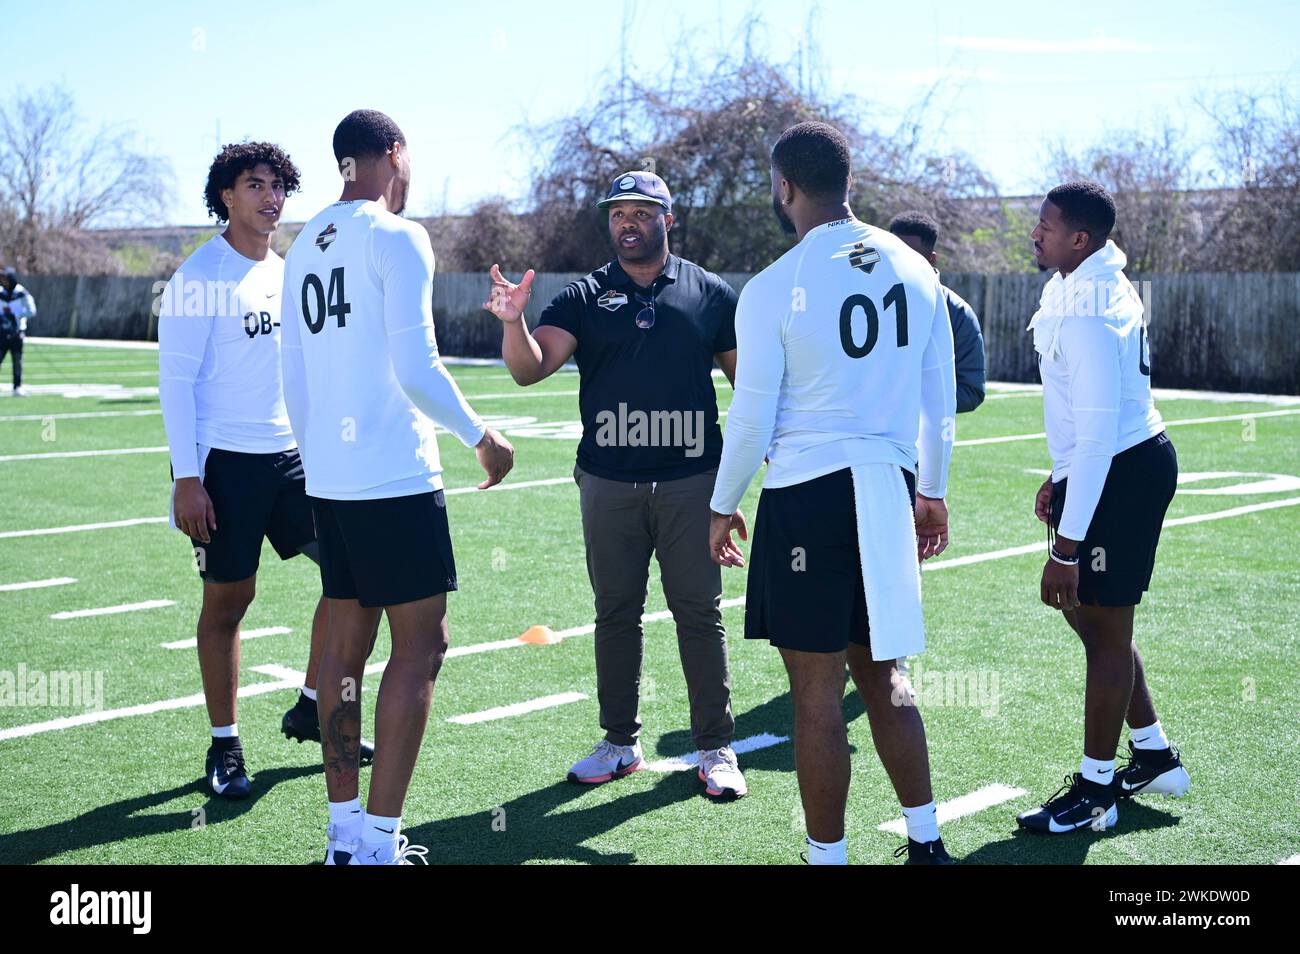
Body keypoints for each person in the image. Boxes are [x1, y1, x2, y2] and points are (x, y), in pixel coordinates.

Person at [708, 121, 957, 864]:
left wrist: (722, 504)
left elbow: (750, 417)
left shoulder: (773, 285)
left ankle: (828, 858)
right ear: (848, 180)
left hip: (807, 496)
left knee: (816, 692)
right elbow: (937, 394)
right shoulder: (915, 266)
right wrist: (933, 490)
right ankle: (927, 841)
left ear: (784, 186)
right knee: (887, 678)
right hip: (889, 485)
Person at [281, 109, 515, 865]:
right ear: (392, 155)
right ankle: (380, 844)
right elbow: (418, 369)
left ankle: (345, 837)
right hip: (394, 477)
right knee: (422, 646)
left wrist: (320, 467)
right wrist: (482, 435)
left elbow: (294, 376)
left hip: (334, 478)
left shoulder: (303, 246)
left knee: (344, 657)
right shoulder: (397, 235)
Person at [483, 169, 748, 800]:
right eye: (617, 213)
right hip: (608, 482)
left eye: (640, 210)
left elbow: (751, 389)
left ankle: (714, 747)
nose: (626, 222)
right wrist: (513, 322)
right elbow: (529, 370)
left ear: (667, 216)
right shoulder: (582, 296)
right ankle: (620, 741)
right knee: (615, 615)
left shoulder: (711, 293)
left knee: (698, 614)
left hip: (691, 482)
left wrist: (737, 481)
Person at [158, 142, 371, 802]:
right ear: (226, 195)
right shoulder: (199, 277)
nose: (270, 198)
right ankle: (224, 743)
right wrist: (187, 477)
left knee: (354, 576)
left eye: (278, 186)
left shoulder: (291, 269)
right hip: (225, 466)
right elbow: (176, 383)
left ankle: (311, 707)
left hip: (296, 459)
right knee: (229, 602)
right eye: (255, 185)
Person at [1016, 181, 1188, 834]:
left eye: (1046, 226)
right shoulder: (1075, 279)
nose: (1036, 233)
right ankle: (1152, 753)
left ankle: (1096, 792)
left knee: (1104, 633)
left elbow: (1097, 431)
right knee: (1089, 621)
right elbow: (1082, 418)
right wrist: (1059, 476)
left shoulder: (1089, 305)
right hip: (1102, 462)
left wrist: (1065, 548)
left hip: (1123, 468)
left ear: (1080, 239)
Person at [887, 212, 986, 413]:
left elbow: (971, 391)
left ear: (931, 259)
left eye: (911, 257)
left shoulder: (957, 312)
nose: (900, 264)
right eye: (893, 255)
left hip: (925, 438)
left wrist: (904, 399)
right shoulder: (870, 301)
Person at [0, 267, 37, 396]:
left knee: (17, 360)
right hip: (2, 332)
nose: (3, 281)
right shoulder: (0, 292)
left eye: (5, 278)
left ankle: (17, 387)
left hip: (17, 332)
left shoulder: (21, 292)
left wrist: (16, 313)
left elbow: (32, 311)